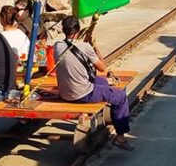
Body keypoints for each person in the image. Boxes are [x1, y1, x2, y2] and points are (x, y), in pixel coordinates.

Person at [54, 16, 133, 151]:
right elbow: (102, 67)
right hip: (84, 94)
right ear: (77, 30)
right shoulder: (85, 47)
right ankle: (120, 138)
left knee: (103, 82)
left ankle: (107, 105)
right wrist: (94, 48)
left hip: (65, 92)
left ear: (63, 30)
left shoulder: (57, 46)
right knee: (120, 96)